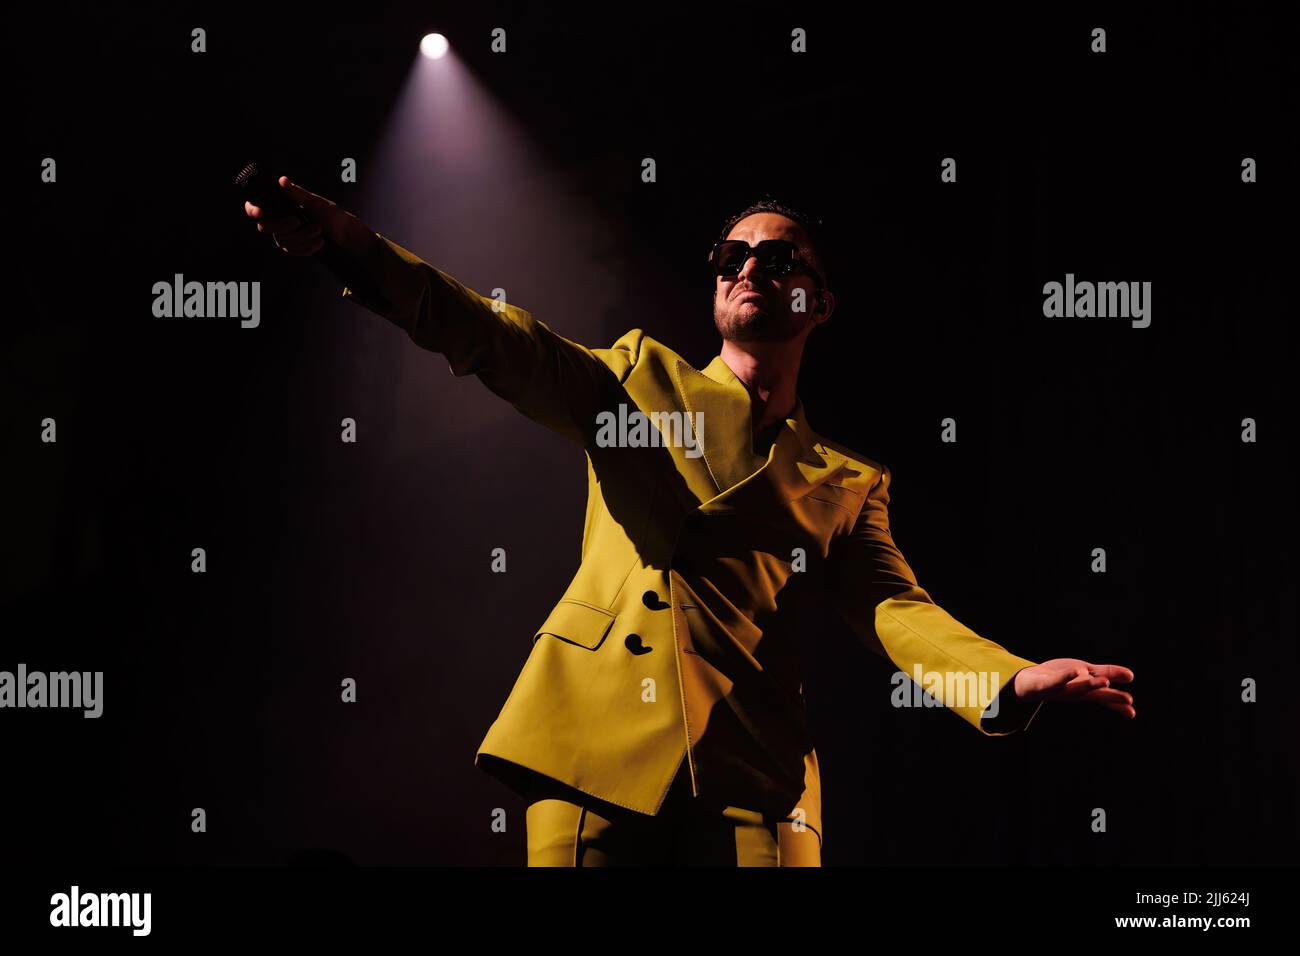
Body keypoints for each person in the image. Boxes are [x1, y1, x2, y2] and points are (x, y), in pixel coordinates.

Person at [245, 178, 1136, 866]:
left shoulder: (849, 478)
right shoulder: (638, 377)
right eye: (732, 254)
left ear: (821, 304)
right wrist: (357, 250)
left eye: (780, 259)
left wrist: (1010, 680)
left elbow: (894, 611)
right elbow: (497, 339)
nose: (750, 267)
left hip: (755, 777)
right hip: (590, 747)